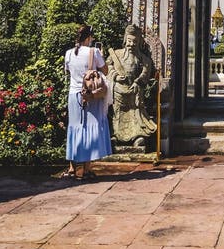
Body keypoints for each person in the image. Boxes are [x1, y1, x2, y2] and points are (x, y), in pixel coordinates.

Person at [63, 24, 111, 180]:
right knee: (89, 128)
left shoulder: (69, 53)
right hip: (90, 96)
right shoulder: (94, 52)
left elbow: (68, 71)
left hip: (74, 95)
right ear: (89, 37)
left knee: (74, 128)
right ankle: (86, 169)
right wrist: (99, 58)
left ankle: (72, 168)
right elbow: (105, 71)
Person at [106, 24, 156, 148]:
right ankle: (116, 136)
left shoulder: (142, 58)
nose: (131, 44)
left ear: (138, 43)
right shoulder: (116, 54)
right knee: (117, 114)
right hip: (118, 91)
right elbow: (108, 66)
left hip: (134, 92)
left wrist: (138, 82)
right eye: (129, 41)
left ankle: (137, 136)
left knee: (136, 114)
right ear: (125, 40)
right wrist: (115, 76)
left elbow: (146, 70)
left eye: (134, 42)